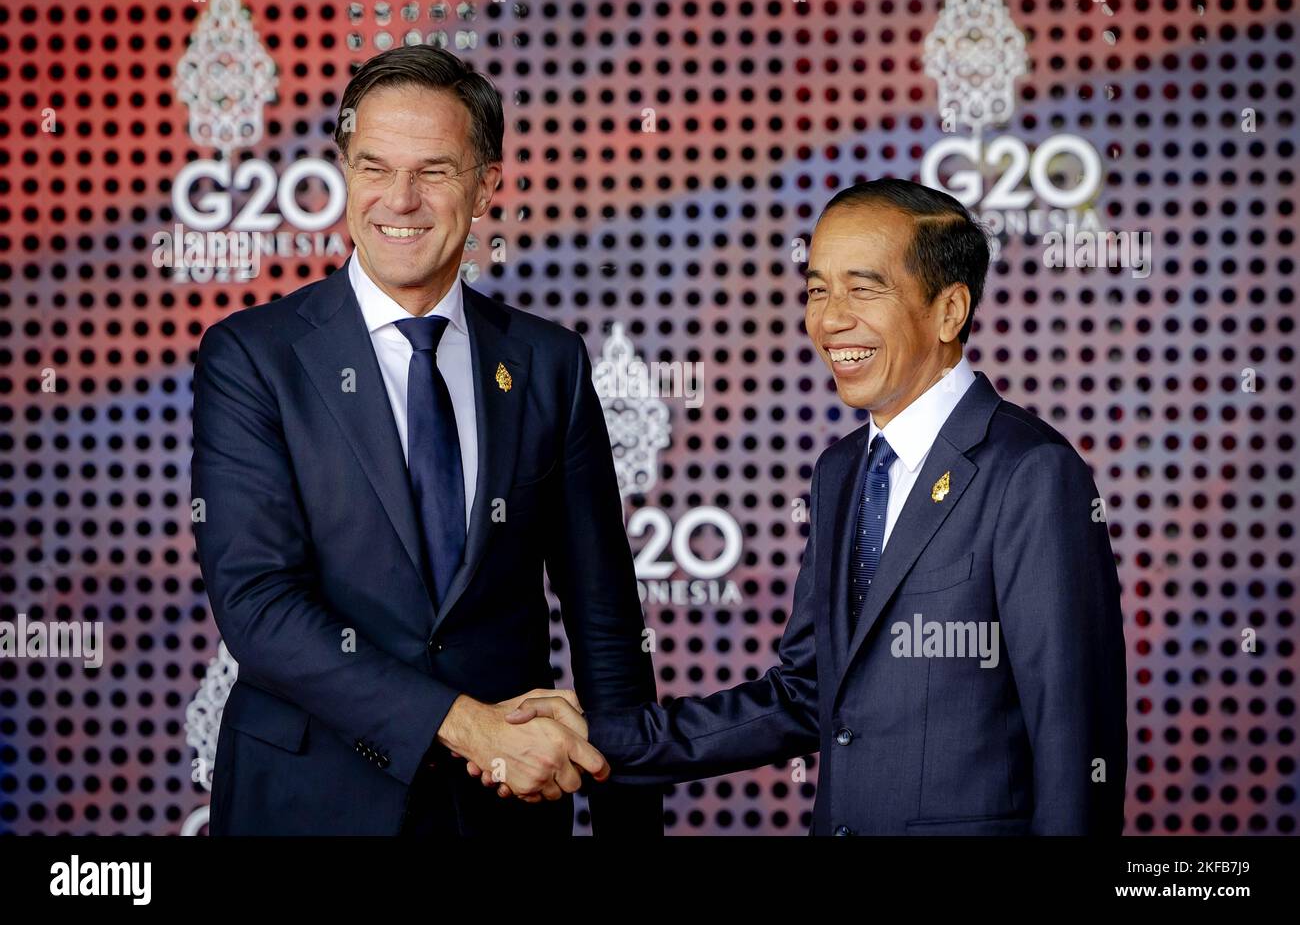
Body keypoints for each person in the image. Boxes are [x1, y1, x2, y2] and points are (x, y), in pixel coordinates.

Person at [488, 178, 1129, 835]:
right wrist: (605, 736)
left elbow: (1077, 743)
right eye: (818, 288)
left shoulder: (1030, 472)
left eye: (864, 287)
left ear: (950, 309)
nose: (830, 319)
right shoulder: (842, 471)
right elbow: (803, 693)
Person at [191, 44, 661, 836]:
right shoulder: (253, 356)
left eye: (435, 170)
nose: (399, 199)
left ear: (486, 187)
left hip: (503, 817)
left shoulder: (549, 363)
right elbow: (258, 605)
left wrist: (630, 828)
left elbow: (606, 621)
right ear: (343, 172)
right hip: (305, 803)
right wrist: (464, 723)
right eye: (374, 166)